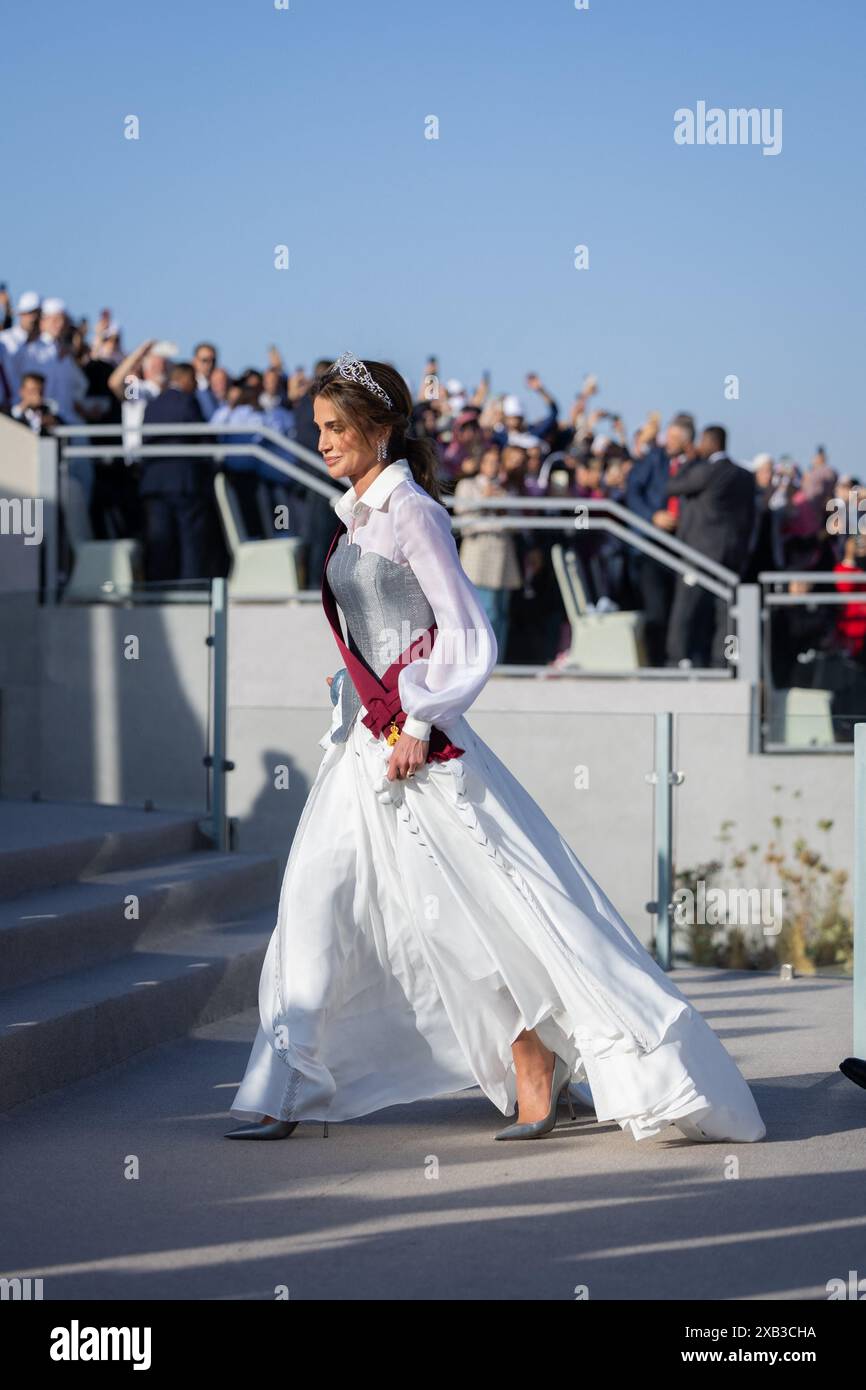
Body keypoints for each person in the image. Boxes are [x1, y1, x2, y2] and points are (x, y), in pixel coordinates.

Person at [226, 354, 766, 1146]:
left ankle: (534, 1062)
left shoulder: (413, 512)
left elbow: (468, 633)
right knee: (312, 900)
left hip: (419, 748)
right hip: (358, 746)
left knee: (470, 919)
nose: (325, 442)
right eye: (319, 429)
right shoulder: (354, 515)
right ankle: (282, 1083)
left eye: (338, 429)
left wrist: (417, 721)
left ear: (381, 431)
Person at [665, 425, 756, 668]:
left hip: (701, 554)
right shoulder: (745, 476)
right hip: (732, 554)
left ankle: (678, 659)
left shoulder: (707, 471)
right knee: (726, 612)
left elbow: (673, 486)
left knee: (686, 609)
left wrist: (690, 459)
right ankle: (723, 662)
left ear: (711, 443)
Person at [139, 361, 215, 582]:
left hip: (154, 483)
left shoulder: (152, 404)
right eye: (193, 381)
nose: (194, 386)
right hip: (185, 483)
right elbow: (204, 439)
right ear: (184, 379)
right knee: (190, 541)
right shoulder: (188, 402)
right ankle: (190, 590)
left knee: (160, 541)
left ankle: (159, 592)